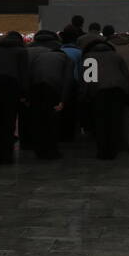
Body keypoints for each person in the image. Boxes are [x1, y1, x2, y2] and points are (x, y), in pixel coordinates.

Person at [79, 36, 129, 159]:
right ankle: (113, 150)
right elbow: (126, 75)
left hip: (99, 92)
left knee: (100, 122)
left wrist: (85, 95)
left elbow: (88, 80)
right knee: (115, 121)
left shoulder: (90, 57)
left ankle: (103, 151)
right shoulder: (116, 56)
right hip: (117, 91)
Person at [27, 28, 73, 159]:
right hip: (53, 88)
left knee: (38, 120)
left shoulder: (41, 56)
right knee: (51, 121)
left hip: (36, 87)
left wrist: (28, 96)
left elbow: (31, 74)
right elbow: (67, 80)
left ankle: (39, 150)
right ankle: (51, 150)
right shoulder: (66, 57)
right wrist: (62, 101)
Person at [0, 31, 28, 163]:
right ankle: (6, 155)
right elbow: (23, 73)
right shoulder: (21, 51)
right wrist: (24, 94)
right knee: (8, 121)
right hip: (11, 86)